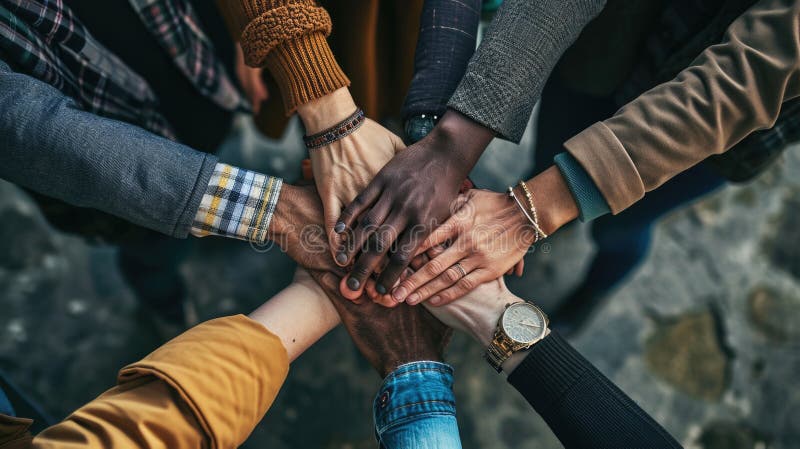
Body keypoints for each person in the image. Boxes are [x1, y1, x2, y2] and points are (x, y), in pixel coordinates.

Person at [374, 0, 800, 321]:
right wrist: (451, 144)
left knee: (621, 226)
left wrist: (533, 208)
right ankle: (540, 229)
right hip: (608, 47)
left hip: (723, 134)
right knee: (546, 163)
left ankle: (595, 290)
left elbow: (750, 75)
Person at [0, 0, 404, 328]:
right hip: (110, 177)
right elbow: (29, 129)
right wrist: (272, 210)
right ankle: (164, 302)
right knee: (153, 245)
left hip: (199, 61)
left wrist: (249, 22)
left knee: (220, 146)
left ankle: (216, 226)